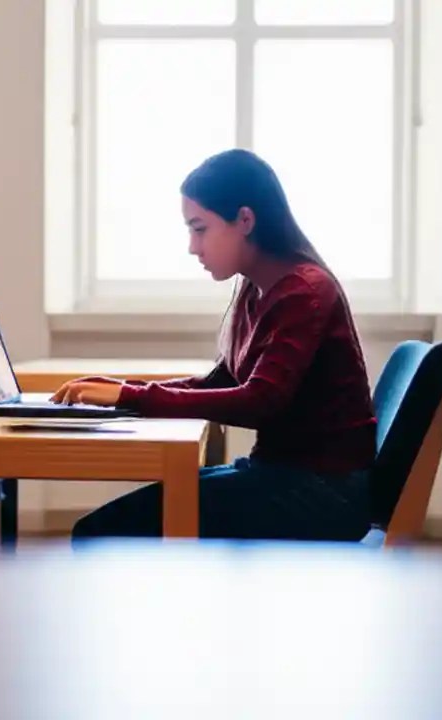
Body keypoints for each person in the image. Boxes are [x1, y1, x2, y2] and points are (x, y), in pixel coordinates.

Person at [53, 148, 378, 544]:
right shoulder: (258, 288)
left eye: (200, 228)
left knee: (98, 534)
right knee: (110, 526)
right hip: (286, 476)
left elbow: (260, 400)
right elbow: (220, 381)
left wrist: (131, 395)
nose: (192, 246)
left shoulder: (304, 292)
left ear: (245, 219)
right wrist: (120, 391)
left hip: (322, 494)